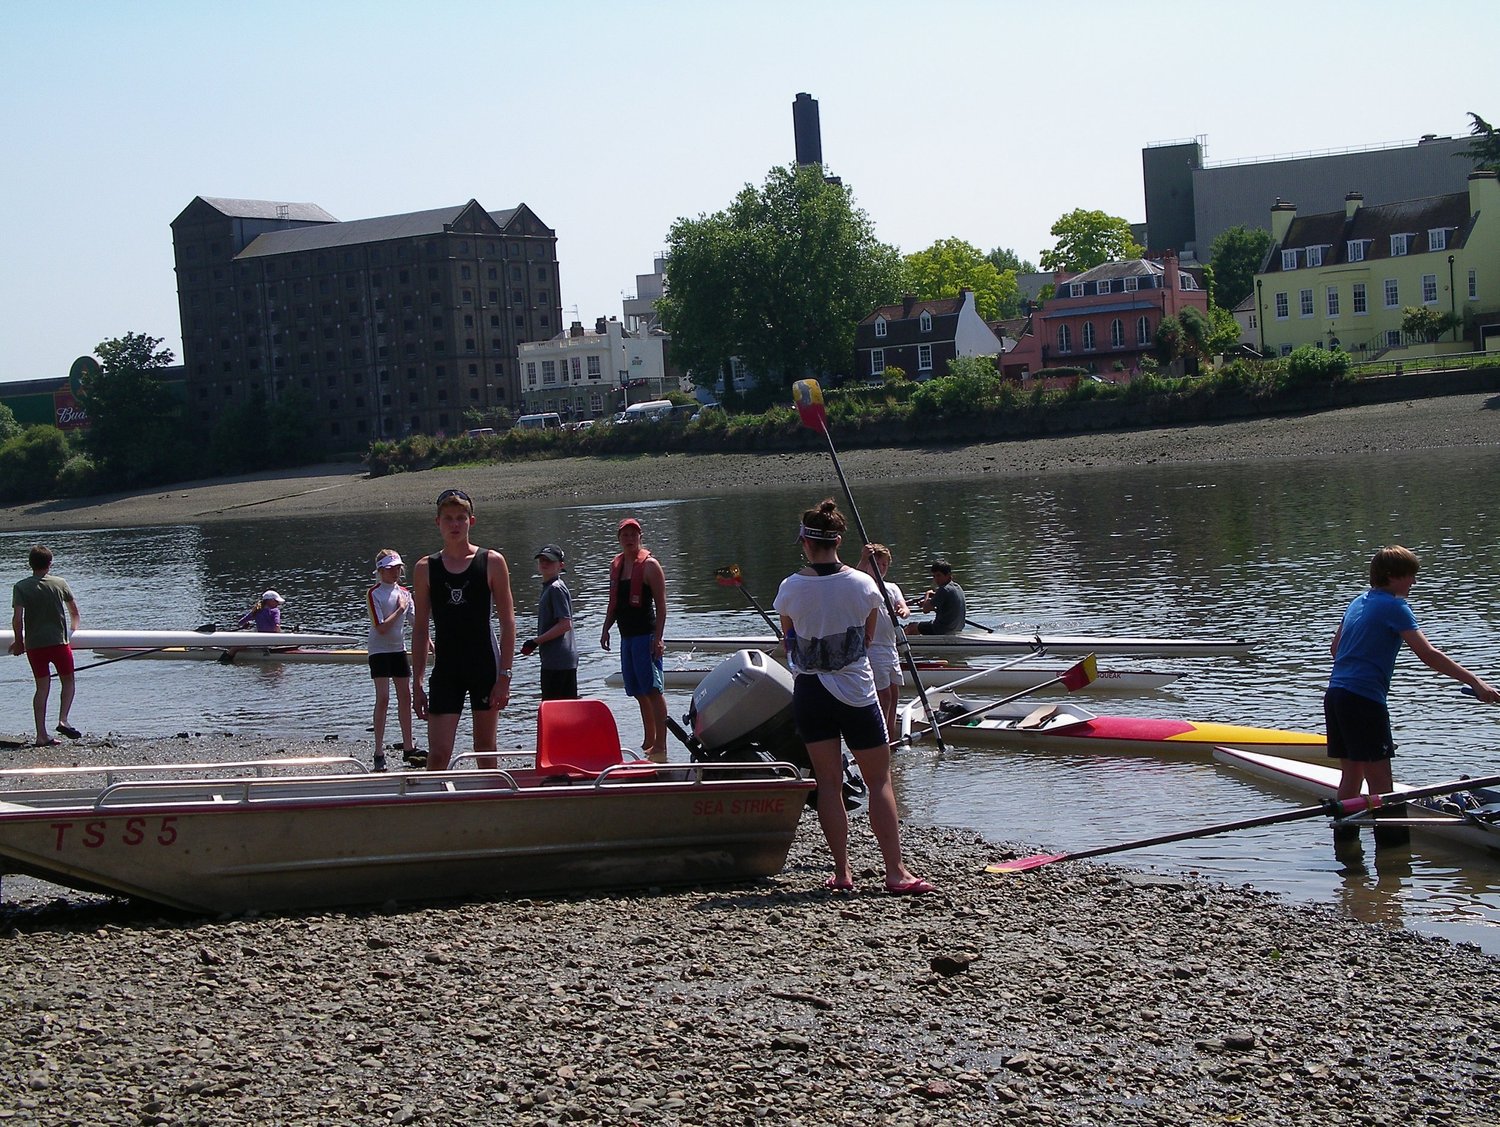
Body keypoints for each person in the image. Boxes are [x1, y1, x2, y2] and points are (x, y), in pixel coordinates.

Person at [774, 499, 934, 896]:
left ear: (805, 542)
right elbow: (866, 637)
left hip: (810, 691)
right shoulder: (865, 585)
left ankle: (842, 871)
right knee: (878, 779)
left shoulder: (790, 587)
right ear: (838, 540)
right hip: (856, 693)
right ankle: (895, 872)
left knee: (827, 783)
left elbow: (789, 640)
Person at [1325, 545, 1499, 817]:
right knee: (1382, 786)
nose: (1414, 582)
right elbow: (1428, 655)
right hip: (1363, 700)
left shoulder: (1358, 601)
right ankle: (1392, 849)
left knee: (1351, 776)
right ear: (1392, 575)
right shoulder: (1395, 606)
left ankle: (1346, 845)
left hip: (1336, 695)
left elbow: (1335, 650)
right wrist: (1475, 681)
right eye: (1410, 575)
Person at [411, 488, 516, 772]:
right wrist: (417, 682)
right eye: (448, 519)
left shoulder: (492, 562)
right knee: (439, 753)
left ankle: (490, 807)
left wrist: (505, 675)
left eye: (460, 518)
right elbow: (420, 629)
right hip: (447, 669)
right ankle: (437, 810)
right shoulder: (425, 568)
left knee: (485, 748)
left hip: (484, 665)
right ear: (438, 523)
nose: (455, 525)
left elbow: (508, 623)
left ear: (471, 521)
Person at [600, 516, 669, 761]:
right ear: (619, 539)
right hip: (626, 637)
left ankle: (661, 744)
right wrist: (606, 628)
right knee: (637, 691)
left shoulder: (651, 566)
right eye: (625, 535)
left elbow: (662, 607)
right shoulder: (615, 565)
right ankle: (648, 739)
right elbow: (614, 603)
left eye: (633, 534)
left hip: (646, 636)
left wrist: (658, 639)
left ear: (640, 537)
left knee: (653, 689)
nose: (629, 539)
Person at [9, 545, 83, 747]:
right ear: (50, 564)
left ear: (30, 564)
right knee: (68, 681)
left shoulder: (21, 586)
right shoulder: (60, 583)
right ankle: (63, 719)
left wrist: (18, 642)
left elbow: (17, 619)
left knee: (42, 688)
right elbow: (74, 613)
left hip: (35, 646)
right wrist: (73, 631)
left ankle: (41, 735)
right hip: (59, 643)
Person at [366, 549, 415, 771]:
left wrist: (430, 643)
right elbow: (382, 627)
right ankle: (378, 751)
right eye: (390, 569)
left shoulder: (405, 592)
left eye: (397, 569)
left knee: (406, 697)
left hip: (398, 650)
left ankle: (408, 747)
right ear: (381, 571)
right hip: (379, 650)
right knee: (384, 698)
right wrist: (400, 609)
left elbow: (415, 623)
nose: (395, 572)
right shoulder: (374, 593)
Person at [859, 542, 908, 742]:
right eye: (876, 564)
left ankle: (891, 736)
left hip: (891, 647)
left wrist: (903, 611)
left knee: (894, 694)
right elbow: (853, 575)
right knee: (884, 695)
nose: (881, 569)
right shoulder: (862, 585)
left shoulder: (892, 587)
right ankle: (881, 737)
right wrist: (863, 559)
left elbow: (904, 607)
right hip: (874, 648)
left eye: (884, 565)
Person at [520, 544, 577, 701]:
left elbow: (565, 624)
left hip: (558, 661)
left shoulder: (555, 588)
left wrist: (535, 641)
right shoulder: (549, 587)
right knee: (561, 709)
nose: (544, 564)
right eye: (542, 560)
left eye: (550, 561)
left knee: (555, 710)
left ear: (561, 565)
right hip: (558, 660)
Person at [905, 559, 966, 636]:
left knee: (911, 627)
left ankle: (899, 645)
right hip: (957, 628)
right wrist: (928, 603)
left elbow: (925, 610)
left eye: (938, 575)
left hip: (941, 629)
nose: (936, 579)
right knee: (919, 627)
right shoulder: (957, 587)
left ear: (948, 575)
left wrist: (927, 595)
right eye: (934, 576)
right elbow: (946, 608)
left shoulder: (944, 589)